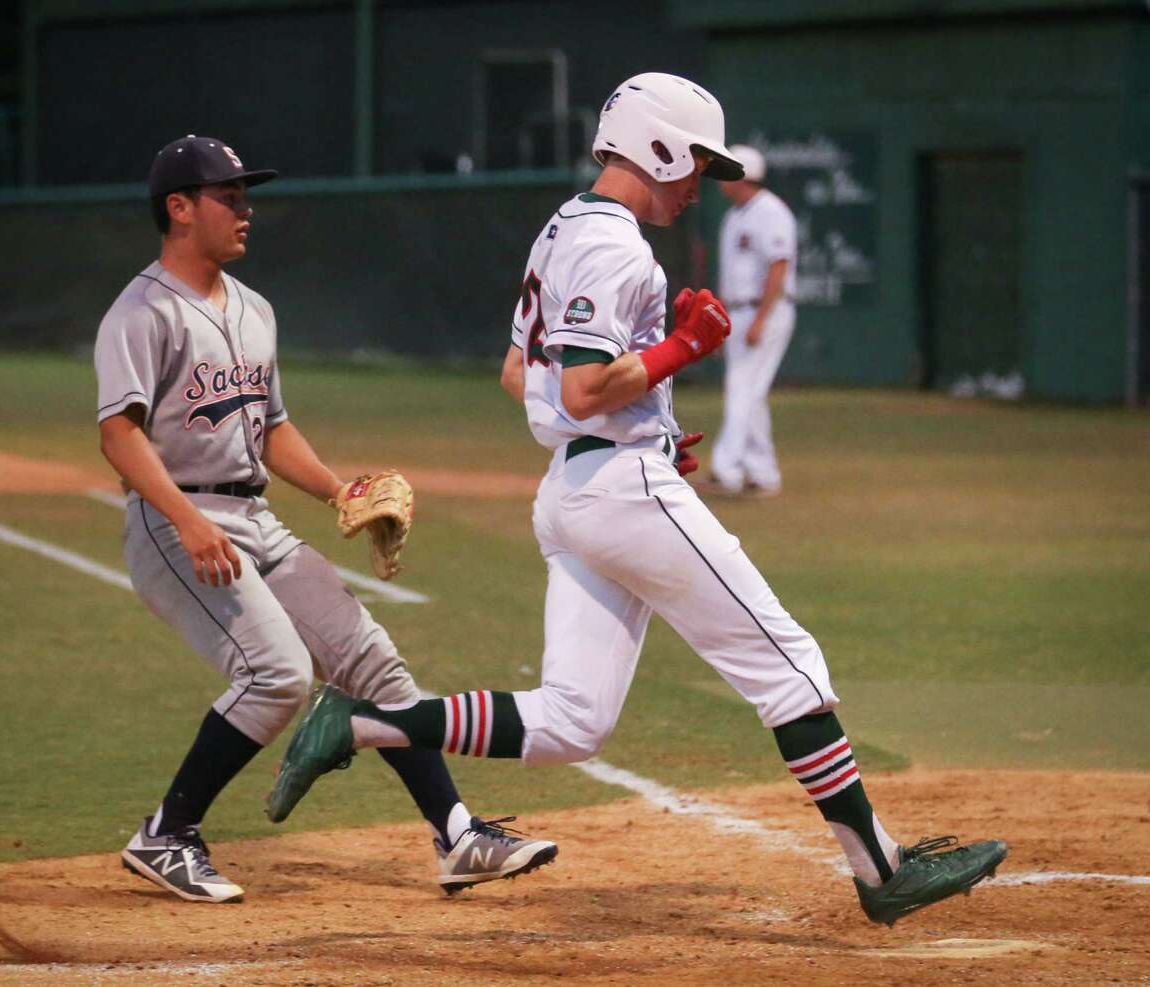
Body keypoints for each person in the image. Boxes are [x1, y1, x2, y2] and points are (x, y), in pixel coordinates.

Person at [267, 75, 1007, 926]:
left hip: (582, 488)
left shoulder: (561, 229)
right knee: (791, 666)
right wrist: (682, 351)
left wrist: (646, 422)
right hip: (617, 489)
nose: (702, 182)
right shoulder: (617, 245)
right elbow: (581, 390)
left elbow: (523, 377)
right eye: (696, 159)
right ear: (655, 145)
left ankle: (362, 723)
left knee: (573, 721)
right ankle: (880, 872)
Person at [93, 134, 556, 903]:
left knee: (373, 661)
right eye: (229, 196)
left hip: (254, 517)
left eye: (248, 195)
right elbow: (119, 433)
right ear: (179, 209)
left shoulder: (255, 310)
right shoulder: (141, 313)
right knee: (276, 675)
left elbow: (270, 429)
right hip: (176, 522)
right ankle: (167, 833)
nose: (247, 210)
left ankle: (460, 835)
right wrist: (185, 519)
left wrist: (341, 493)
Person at [707, 144, 797, 497]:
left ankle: (725, 468)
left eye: (725, 173)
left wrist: (762, 318)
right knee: (749, 393)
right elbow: (730, 278)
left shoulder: (770, 211)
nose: (719, 181)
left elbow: (779, 265)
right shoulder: (734, 216)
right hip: (739, 310)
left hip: (766, 309)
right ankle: (762, 473)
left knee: (743, 388)